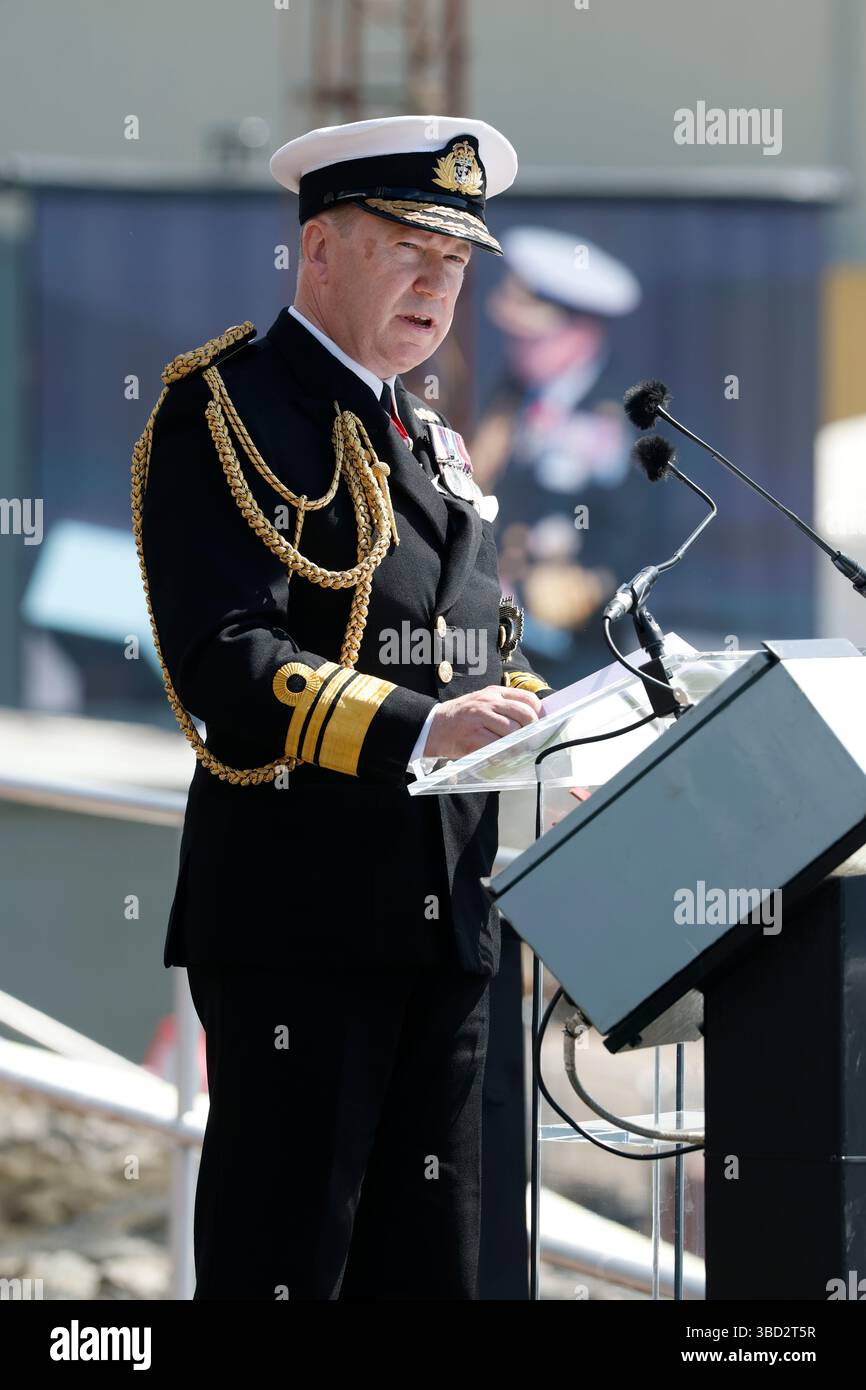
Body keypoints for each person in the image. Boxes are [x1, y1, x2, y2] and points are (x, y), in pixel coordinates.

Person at [131, 115, 552, 1300]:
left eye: (458, 260)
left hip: (455, 924)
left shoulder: (428, 439)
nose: (438, 282)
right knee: (289, 1266)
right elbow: (226, 661)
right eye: (409, 246)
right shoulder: (224, 410)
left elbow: (476, 647)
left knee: (441, 1273)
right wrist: (425, 728)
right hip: (301, 928)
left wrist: (544, 721)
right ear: (319, 249)